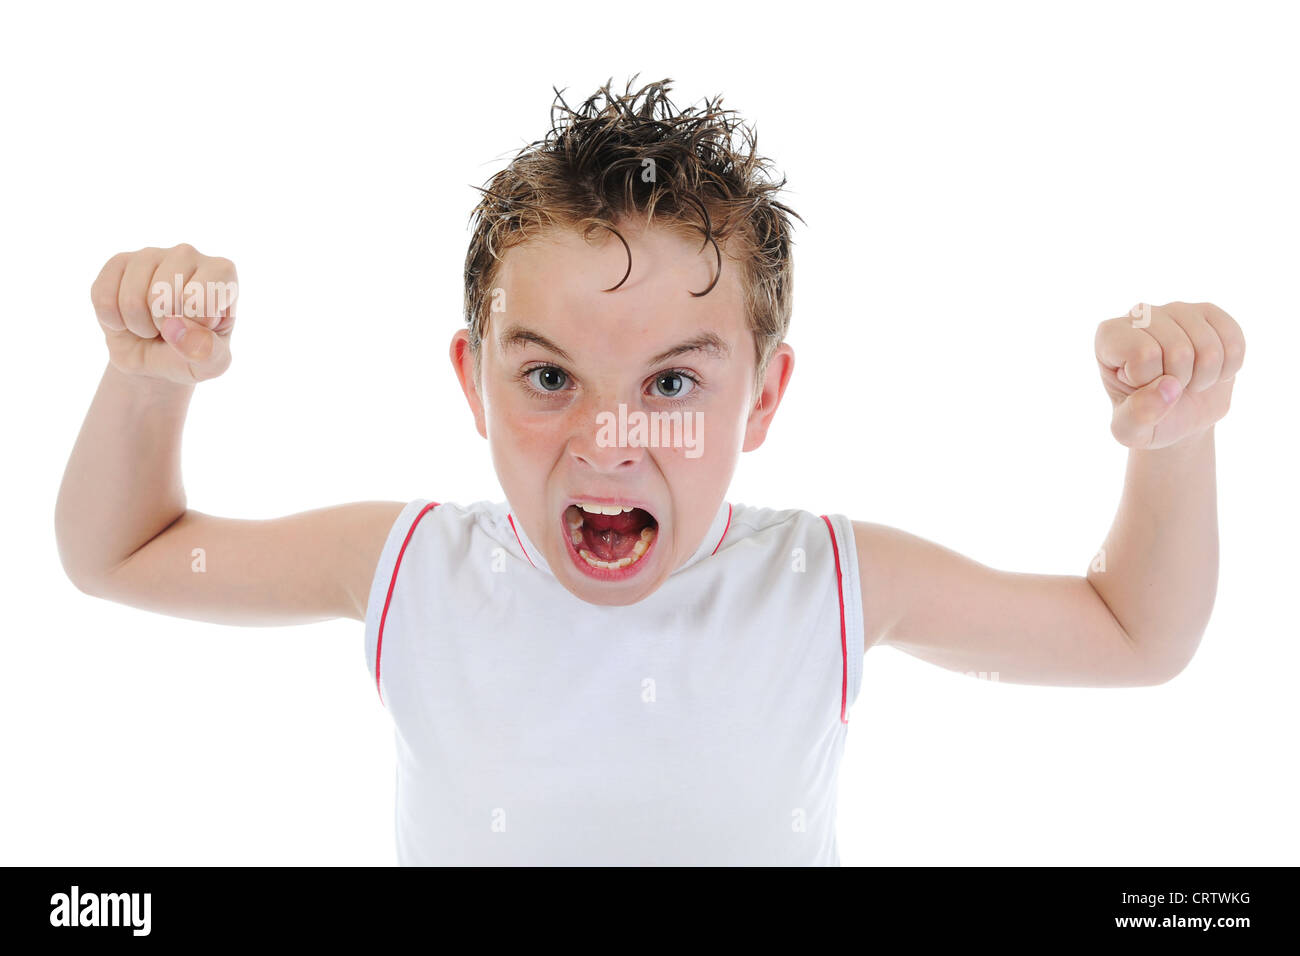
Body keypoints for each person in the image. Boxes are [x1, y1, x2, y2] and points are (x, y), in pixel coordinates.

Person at [55, 76, 1245, 865]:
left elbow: (1132, 634)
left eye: (673, 384)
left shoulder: (822, 580)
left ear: (763, 396)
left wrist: (1175, 442)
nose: (610, 441)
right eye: (550, 376)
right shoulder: (408, 565)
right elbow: (119, 551)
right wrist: (152, 378)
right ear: (472, 378)